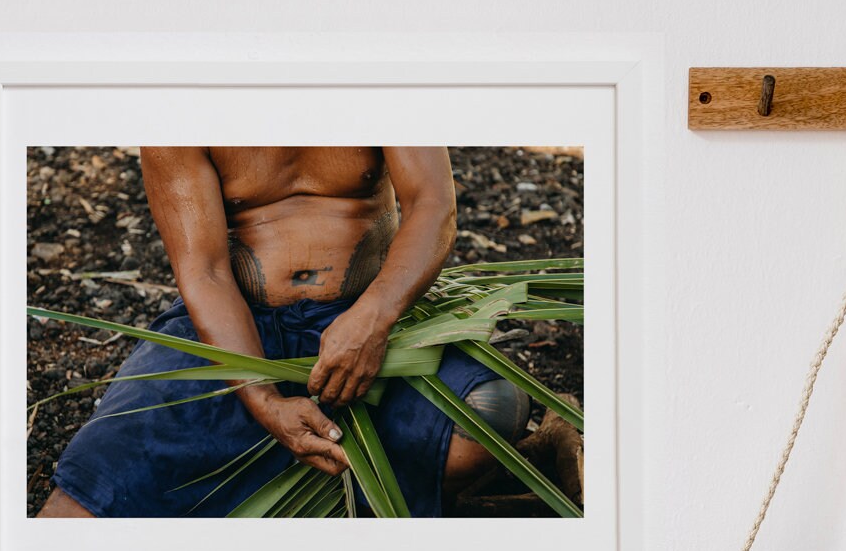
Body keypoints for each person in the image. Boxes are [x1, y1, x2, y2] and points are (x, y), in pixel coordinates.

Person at [37, 147, 529, 518]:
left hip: (371, 313)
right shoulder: (183, 97)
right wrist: (262, 398)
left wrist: (374, 318)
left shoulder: (375, 63)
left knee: (485, 423)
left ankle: (308, 492)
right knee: (81, 502)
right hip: (238, 324)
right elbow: (204, 269)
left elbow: (433, 205)